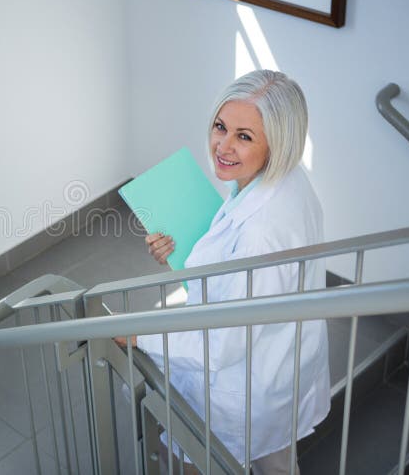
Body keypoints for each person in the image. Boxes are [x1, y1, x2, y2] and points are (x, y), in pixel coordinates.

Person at [123, 70, 330, 474]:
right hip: (277, 369)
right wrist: (183, 248)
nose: (223, 145)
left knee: (209, 459)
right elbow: (230, 254)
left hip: (247, 386)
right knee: (277, 464)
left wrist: (137, 335)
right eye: (221, 127)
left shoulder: (261, 233)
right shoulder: (284, 180)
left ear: (277, 143)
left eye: (244, 136)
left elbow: (223, 346)